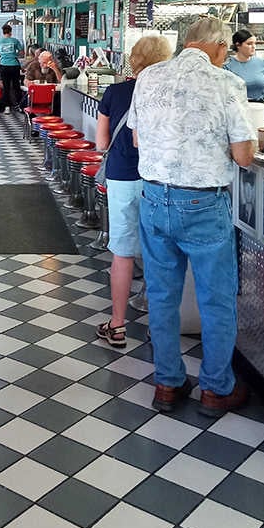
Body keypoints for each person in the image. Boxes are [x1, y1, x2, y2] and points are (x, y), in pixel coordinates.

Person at [128, 16, 257, 417]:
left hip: (153, 198)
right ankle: (217, 390)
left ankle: (168, 384)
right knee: (216, 300)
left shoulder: (148, 77)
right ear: (220, 47)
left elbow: (135, 137)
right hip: (202, 203)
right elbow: (244, 155)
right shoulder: (227, 84)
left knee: (162, 296)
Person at [95, 35, 172, 348]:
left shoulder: (115, 92)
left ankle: (117, 325)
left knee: (123, 253)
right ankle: (158, 326)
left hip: (123, 178)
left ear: (134, 60)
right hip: (160, 179)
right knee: (160, 255)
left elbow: (101, 143)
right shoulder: (170, 94)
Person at [0, 23, 24, 113]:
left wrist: (4, 55)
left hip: (4, 66)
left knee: (6, 87)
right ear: (10, 32)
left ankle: (6, 107)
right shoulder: (15, 41)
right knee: (16, 86)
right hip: (14, 66)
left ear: (3, 32)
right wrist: (14, 54)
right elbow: (22, 53)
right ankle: (19, 105)